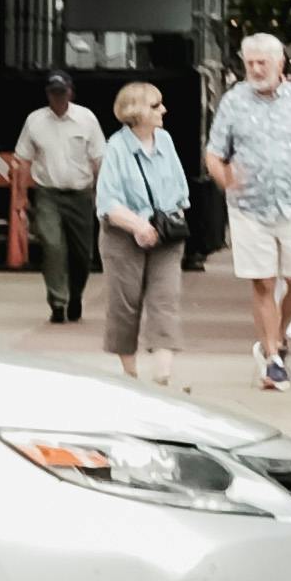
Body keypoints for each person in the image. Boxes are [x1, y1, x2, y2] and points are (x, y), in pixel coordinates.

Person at [203, 34, 291, 391]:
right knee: (262, 282)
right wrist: (224, 177)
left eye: (263, 62)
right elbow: (213, 153)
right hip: (249, 208)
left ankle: (274, 335)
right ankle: (273, 359)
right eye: (250, 63)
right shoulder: (233, 101)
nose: (256, 69)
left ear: (280, 64)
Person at [97, 75, 194, 381]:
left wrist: (170, 218)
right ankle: (131, 375)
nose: (163, 110)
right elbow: (107, 201)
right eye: (155, 105)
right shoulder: (116, 147)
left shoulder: (165, 140)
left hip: (166, 234)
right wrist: (138, 225)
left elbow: (181, 189)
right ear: (136, 111)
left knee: (165, 301)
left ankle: (162, 376)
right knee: (125, 305)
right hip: (123, 234)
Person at [16, 70, 105, 322]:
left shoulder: (86, 119)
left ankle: (75, 295)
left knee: (81, 253)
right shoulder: (35, 121)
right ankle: (57, 302)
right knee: (52, 246)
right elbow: (23, 160)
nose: (58, 98)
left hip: (80, 194)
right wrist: (21, 196)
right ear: (47, 94)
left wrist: (102, 194)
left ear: (70, 93)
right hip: (48, 194)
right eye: (53, 93)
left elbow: (99, 159)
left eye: (62, 92)